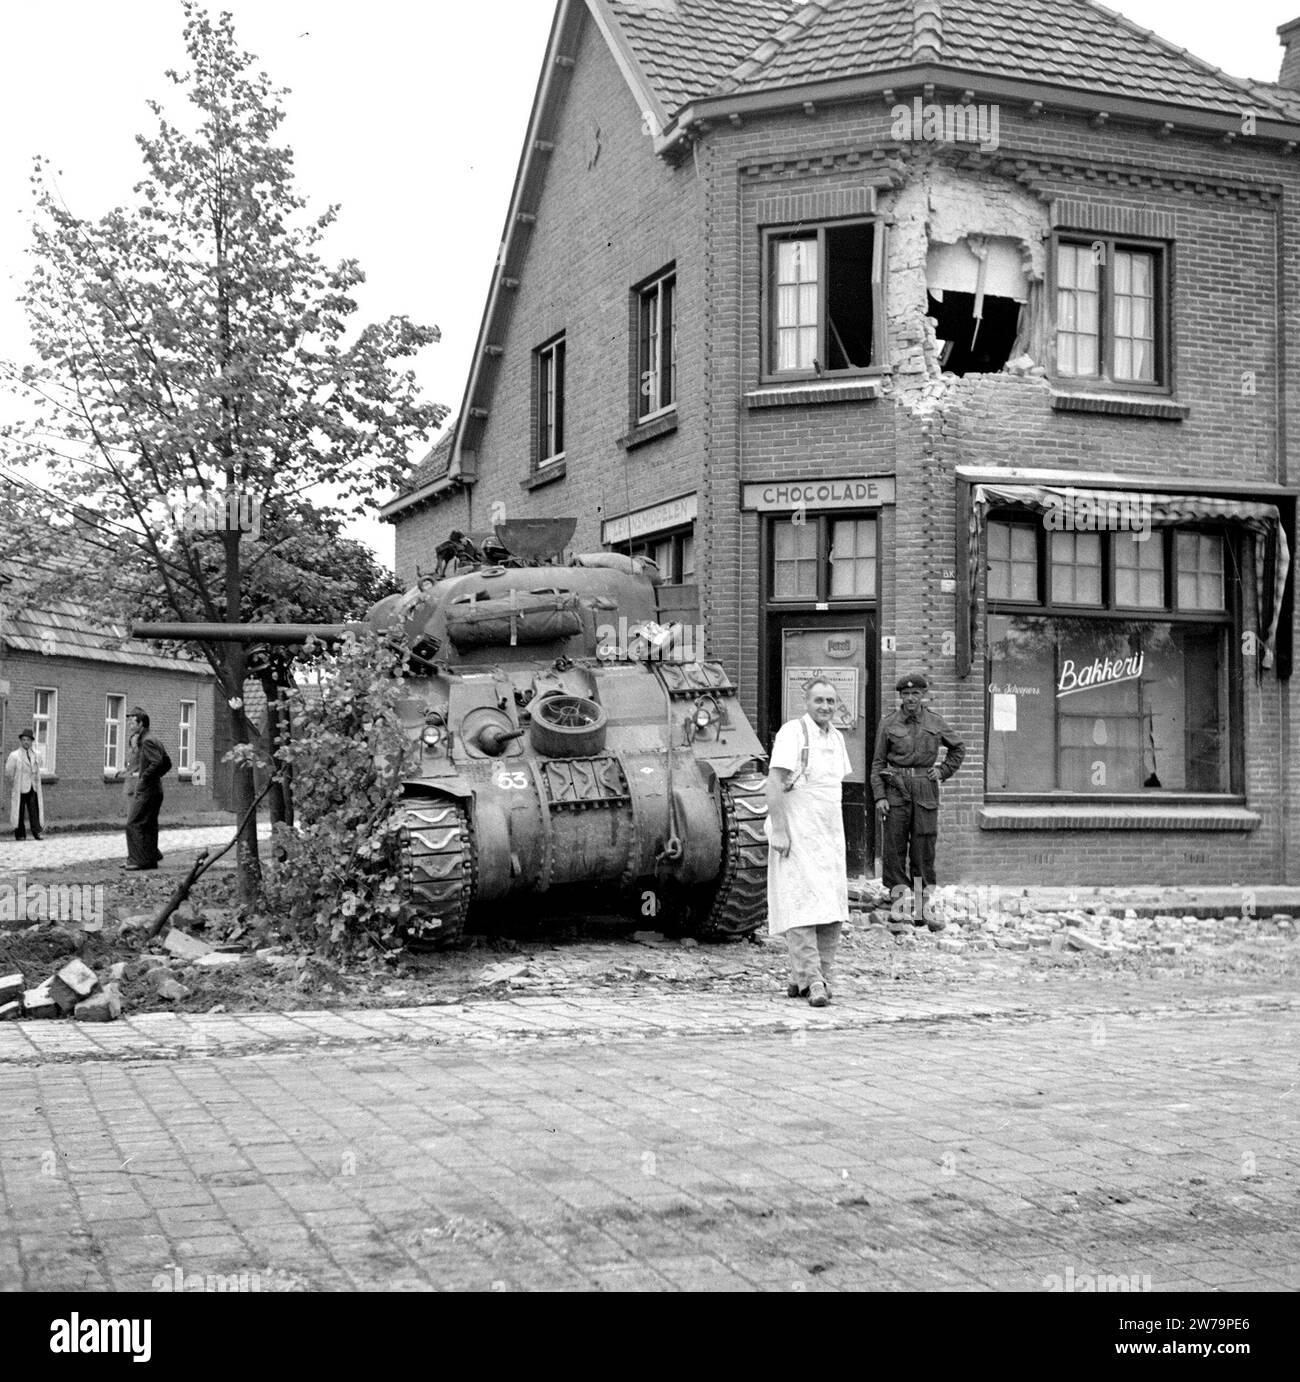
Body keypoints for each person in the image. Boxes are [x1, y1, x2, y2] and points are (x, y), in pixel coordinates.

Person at [765, 678, 853, 1008]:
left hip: (829, 834)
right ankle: (812, 979)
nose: (825, 706)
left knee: (831, 907)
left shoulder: (837, 738)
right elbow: (772, 785)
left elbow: (831, 789)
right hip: (798, 832)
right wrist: (780, 830)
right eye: (819, 700)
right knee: (801, 905)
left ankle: (816, 976)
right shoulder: (793, 733)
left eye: (831, 701)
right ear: (807, 702)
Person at [870, 673, 966, 924]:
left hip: (925, 788)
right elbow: (878, 762)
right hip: (896, 788)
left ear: (923, 695)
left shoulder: (935, 721)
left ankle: (923, 907)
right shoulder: (888, 723)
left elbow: (958, 747)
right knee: (894, 846)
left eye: (915, 694)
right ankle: (900, 905)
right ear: (900, 696)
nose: (911, 698)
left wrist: (943, 770)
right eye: (906, 694)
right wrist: (880, 796)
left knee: (924, 846)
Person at [118, 707, 171, 870]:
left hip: (147, 790)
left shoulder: (147, 740)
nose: (129, 724)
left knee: (133, 823)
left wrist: (144, 778)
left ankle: (136, 860)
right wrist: (154, 777)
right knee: (148, 825)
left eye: (132, 721)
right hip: (154, 789)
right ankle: (148, 860)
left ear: (141, 723)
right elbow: (167, 763)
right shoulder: (152, 739)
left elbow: (157, 763)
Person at [5, 729, 45, 841]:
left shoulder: (37, 754)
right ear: (20, 741)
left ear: (32, 741)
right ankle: (20, 834)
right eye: (23, 740)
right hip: (20, 787)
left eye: (28, 740)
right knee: (20, 810)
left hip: (33, 786)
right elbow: (8, 772)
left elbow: (39, 767)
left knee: (34, 810)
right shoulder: (14, 755)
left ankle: (36, 832)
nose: (26, 742)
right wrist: (15, 783)